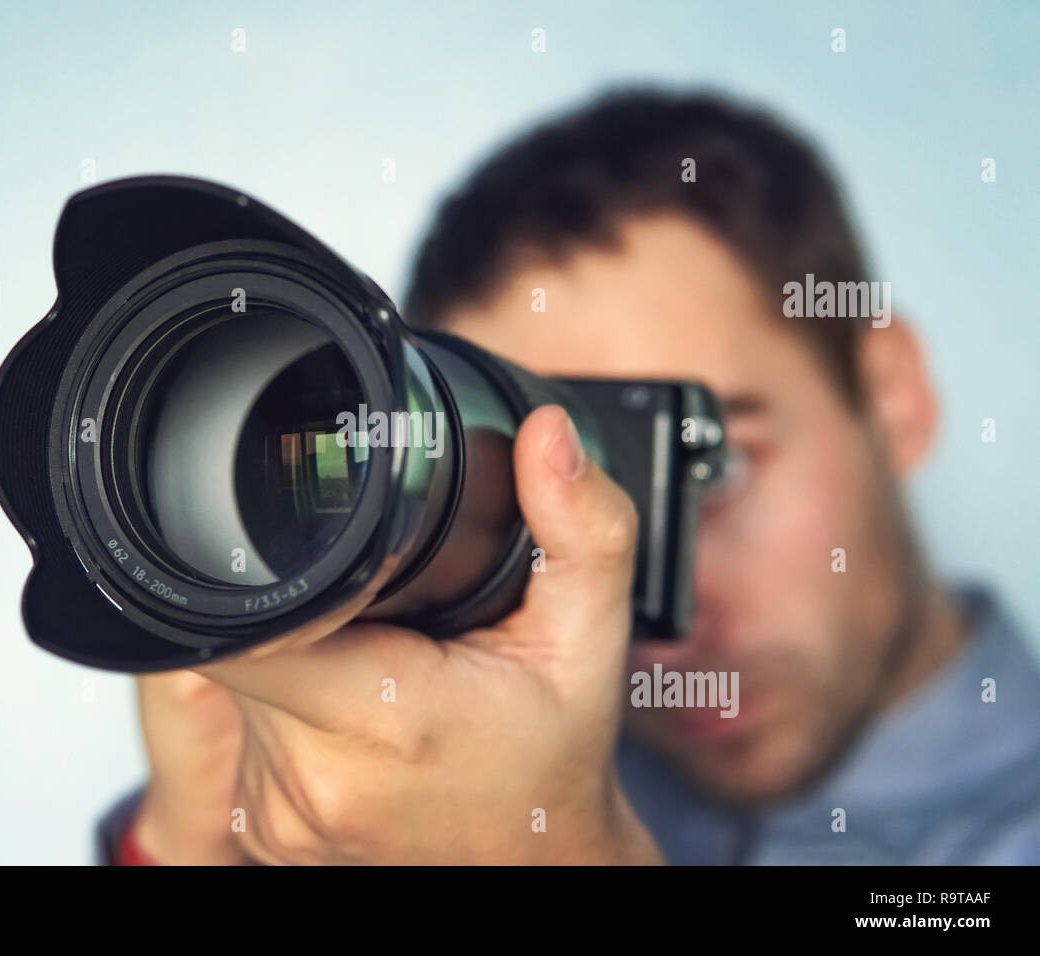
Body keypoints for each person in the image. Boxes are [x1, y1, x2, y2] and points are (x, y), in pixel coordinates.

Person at [98, 89, 1040, 865]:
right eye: (528, 506)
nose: (661, 627)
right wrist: (197, 845)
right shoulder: (420, 800)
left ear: (893, 396)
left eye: (712, 466)